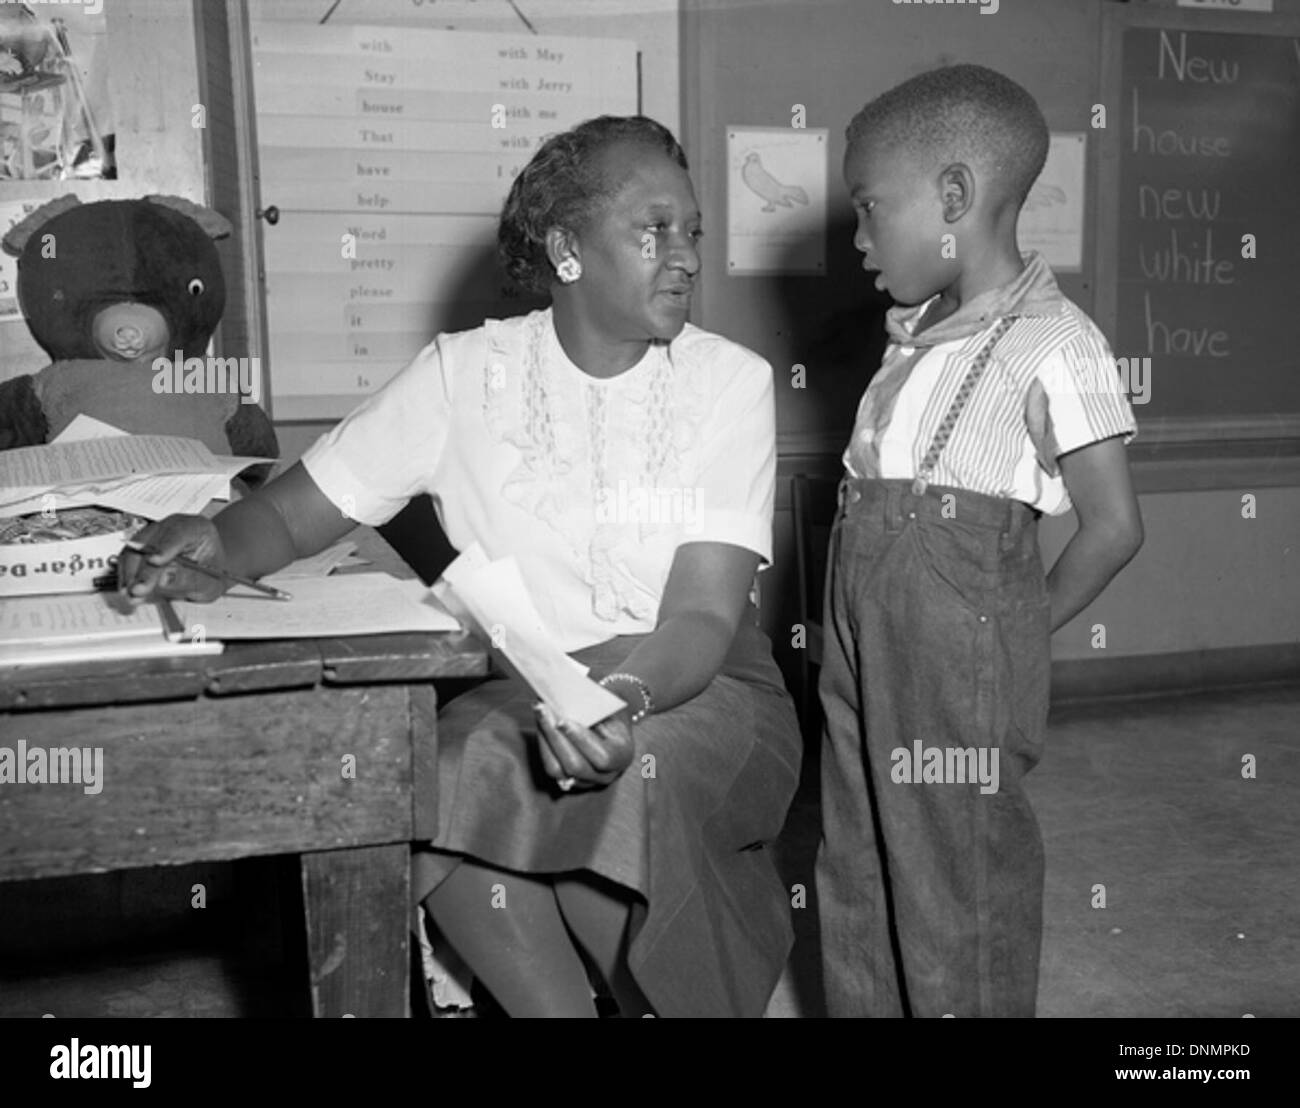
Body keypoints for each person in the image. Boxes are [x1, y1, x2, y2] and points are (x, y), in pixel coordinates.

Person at [119, 115, 803, 1018]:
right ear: (566, 247)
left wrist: (620, 699)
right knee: (423, 778)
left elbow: (704, 617)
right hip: (526, 681)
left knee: (635, 778)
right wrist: (212, 546)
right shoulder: (464, 373)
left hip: (695, 686)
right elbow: (294, 511)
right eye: (654, 229)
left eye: (693, 232)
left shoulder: (730, 382)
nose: (684, 255)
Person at [816, 65, 1144, 1017]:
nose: (861, 237)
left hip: (958, 629)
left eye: (872, 208)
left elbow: (1115, 526)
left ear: (954, 197)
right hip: (857, 616)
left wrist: (1015, 630)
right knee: (860, 850)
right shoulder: (911, 339)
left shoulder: (1058, 342)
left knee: (955, 868)